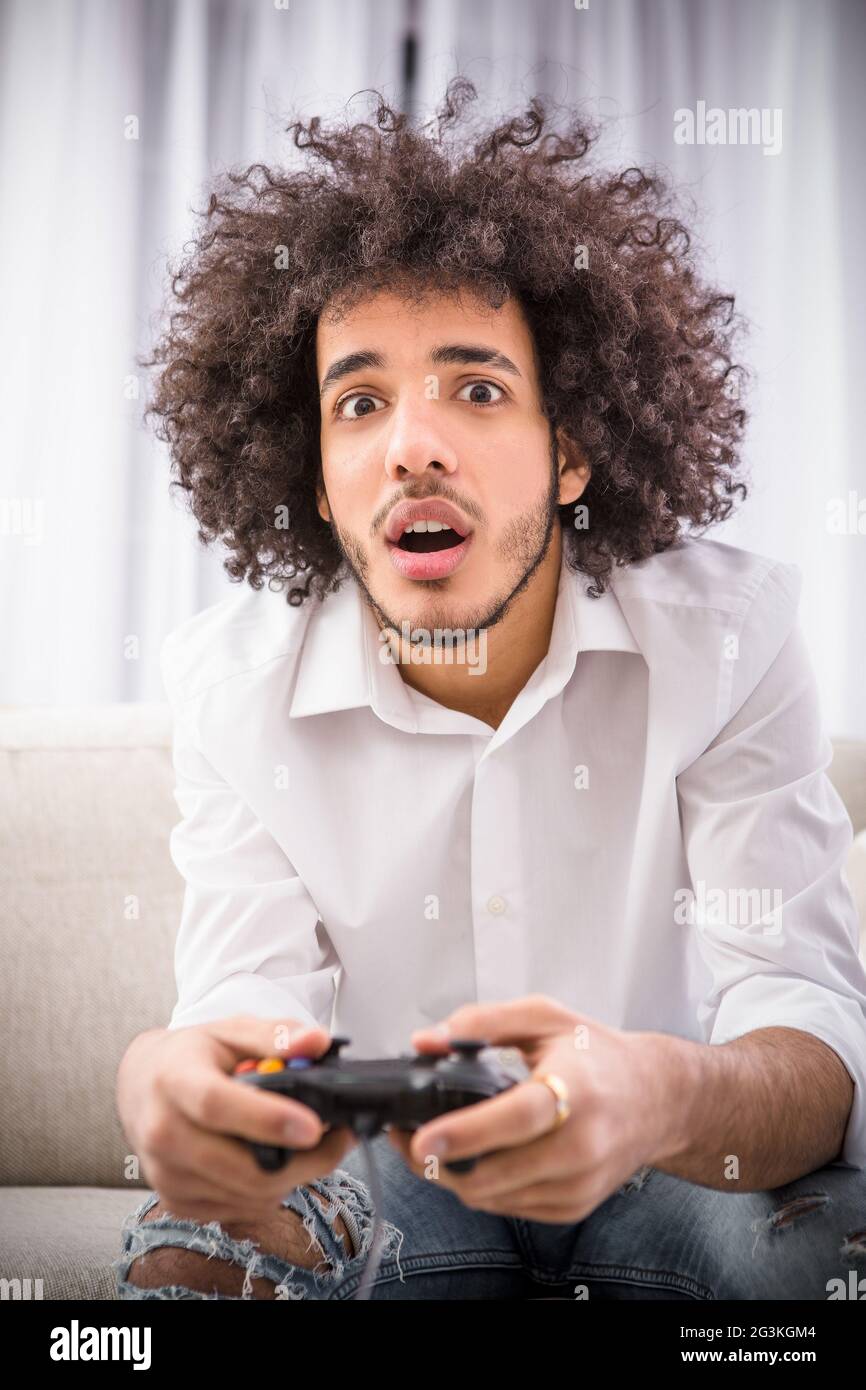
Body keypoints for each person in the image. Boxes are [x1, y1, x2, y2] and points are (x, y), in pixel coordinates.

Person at [114, 82, 866, 1300]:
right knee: (191, 1259)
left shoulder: (730, 640)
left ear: (571, 447)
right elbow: (246, 1005)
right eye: (359, 403)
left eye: (474, 388)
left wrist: (656, 1093)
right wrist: (164, 1073)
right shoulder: (228, 689)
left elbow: (806, 1025)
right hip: (390, 1179)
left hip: (681, 1167)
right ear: (313, 476)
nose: (412, 443)